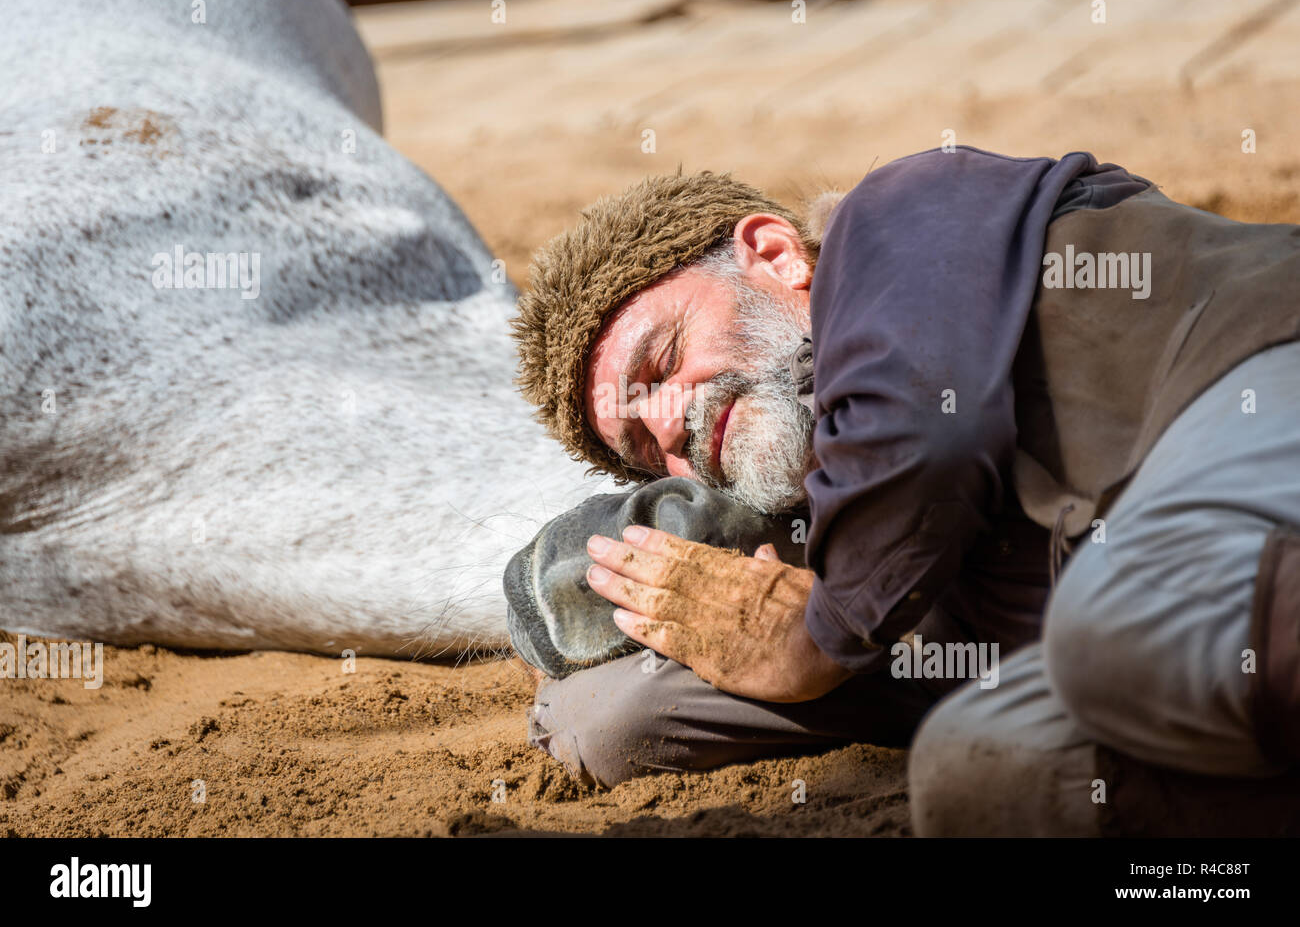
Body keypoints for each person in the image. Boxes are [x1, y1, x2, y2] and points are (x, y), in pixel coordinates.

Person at [510, 146, 1300, 833]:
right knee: (978, 774)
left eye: (661, 362)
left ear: (775, 253)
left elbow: (928, 423)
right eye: (646, 446)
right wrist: (616, 650)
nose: (672, 425)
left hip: (1257, 376)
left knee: (1119, 617)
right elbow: (625, 726)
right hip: (1159, 639)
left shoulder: (896, 217)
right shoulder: (875, 565)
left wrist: (817, 638)